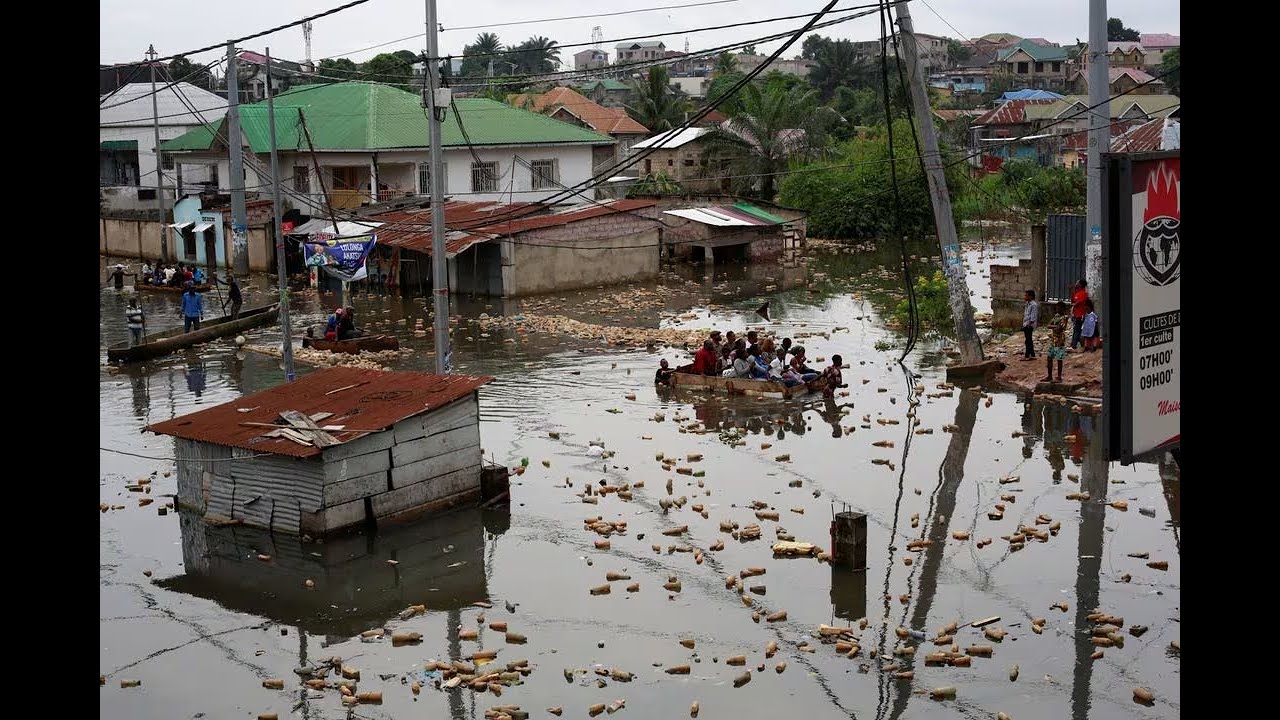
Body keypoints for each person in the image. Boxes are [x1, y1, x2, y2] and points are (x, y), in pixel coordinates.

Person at [1043, 317, 1067, 383]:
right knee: (1049, 357)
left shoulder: (1064, 317)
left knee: (1059, 358)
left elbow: (1059, 328)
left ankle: (1059, 377)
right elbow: (1049, 326)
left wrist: (1053, 326)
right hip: (1054, 340)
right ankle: (1050, 376)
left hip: (1060, 340)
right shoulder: (1056, 317)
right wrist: (1056, 326)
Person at [1070, 279, 1089, 350]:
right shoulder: (1077, 293)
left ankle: (1073, 344)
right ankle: (1078, 344)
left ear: (1080, 285)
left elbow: (1077, 303)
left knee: (1077, 329)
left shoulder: (1083, 293)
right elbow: (1072, 300)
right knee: (1077, 329)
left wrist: (1075, 304)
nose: (1076, 283)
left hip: (1080, 315)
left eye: (1077, 282)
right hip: (1075, 314)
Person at [1021, 289, 1039, 360]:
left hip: (1029, 325)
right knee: (1028, 340)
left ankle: (1027, 355)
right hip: (1026, 324)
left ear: (1030, 297)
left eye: (1026, 295)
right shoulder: (1028, 304)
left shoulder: (1033, 305)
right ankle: (1032, 354)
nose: (1025, 297)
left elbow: (1033, 317)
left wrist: (1028, 325)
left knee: (1028, 340)